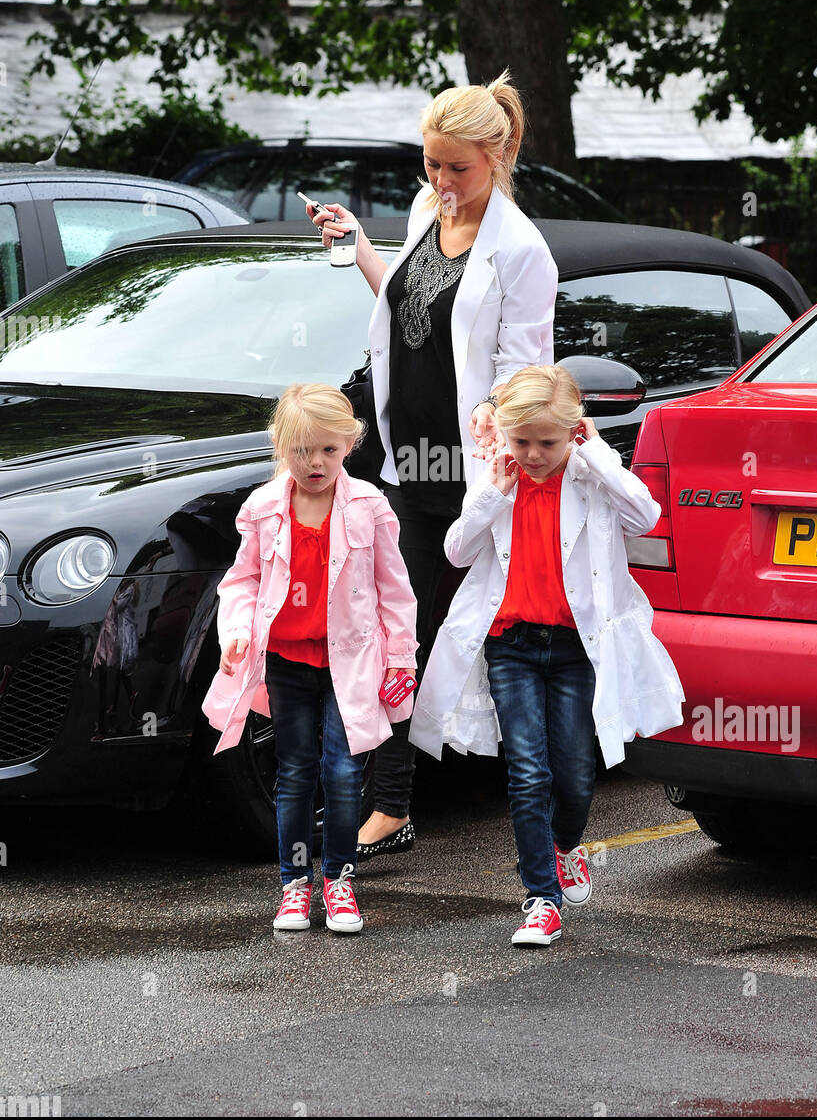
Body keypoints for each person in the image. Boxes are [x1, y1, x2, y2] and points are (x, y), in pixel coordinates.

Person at [304, 70, 559, 859]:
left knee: (497, 643)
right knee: (399, 634)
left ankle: (546, 827)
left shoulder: (522, 252)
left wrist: (496, 425)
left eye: (457, 167)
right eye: (431, 164)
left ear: (499, 152)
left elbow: (525, 379)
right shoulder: (425, 212)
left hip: (474, 479)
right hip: (409, 468)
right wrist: (358, 252)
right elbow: (412, 309)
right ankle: (390, 807)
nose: (441, 182)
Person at [408, 365, 685, 946]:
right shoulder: (495, 478)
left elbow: (647, 517)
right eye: (521, 442)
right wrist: (491, 494)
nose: (533, 455)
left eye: (548, 442)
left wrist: (599, 452)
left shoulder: (591, 478)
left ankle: (565, 847)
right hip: (510, 645)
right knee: (528, 770)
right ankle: (540, 897)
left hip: (574, 648)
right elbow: (457, 552)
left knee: (576, 775)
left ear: (573, 433)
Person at [201, 384, 418, 934]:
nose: (314, 463)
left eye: (327, 449)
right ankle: (294, 884)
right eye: (301, 451)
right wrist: (236, 632)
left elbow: (395, 592)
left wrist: (399, 660)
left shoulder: (369, 505)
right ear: (282, 448)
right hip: (288, 663)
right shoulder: (263, 508)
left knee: (344, 773)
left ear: (349, 443)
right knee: (295, 772)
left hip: (351, 665)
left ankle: (338, 880)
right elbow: (242, 580)